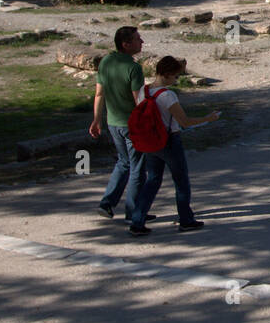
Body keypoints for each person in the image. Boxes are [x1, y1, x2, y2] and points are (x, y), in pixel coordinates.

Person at [128, 56, 221, 236]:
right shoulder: (168, 95)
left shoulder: (143, 91)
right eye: (176, 76)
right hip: (170, 141)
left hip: (151, 141)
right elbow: (184, 122)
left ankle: (137, 220)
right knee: (181, 181)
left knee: (152, 180)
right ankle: (186, 219)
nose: (176, 80)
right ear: (169, 74)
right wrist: (208, 118)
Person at [90, 26, 151, 223]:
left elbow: (99, 93)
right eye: (137, 39)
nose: (141, 42)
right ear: (126, 44)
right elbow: (139, 101)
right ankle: (133, 211)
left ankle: (107, 204)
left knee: (123, 163)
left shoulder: (106, 61)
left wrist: (96, 120)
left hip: (113, 122)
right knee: (137, 168)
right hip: (131, 125)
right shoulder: (134, 68)